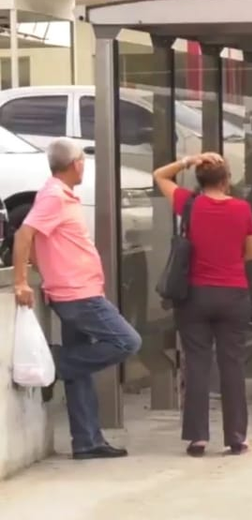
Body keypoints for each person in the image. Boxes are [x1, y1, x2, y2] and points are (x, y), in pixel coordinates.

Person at [12, 139, 142, 460]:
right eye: (83, 160)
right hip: (78, 296)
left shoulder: (60, 195)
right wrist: (20, 282)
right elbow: (24, 234)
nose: (84, 165)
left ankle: (86, 441)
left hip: (78, 290)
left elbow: (42, 242)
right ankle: (53, 364)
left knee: (80, 370)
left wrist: (46, 269)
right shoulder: (55, 196)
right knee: (128, 342)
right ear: (76, 164)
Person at [152, 151, 252, 457]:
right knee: (232, 366)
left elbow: (159, 175)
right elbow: (250, 253)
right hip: (233, 295)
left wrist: (188, 160)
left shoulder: (189, 203)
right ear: (226, 181)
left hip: (195, 296)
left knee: (196, 365)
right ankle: (236, 437)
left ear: (200, 180)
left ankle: (197, 438)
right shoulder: (242, 209)